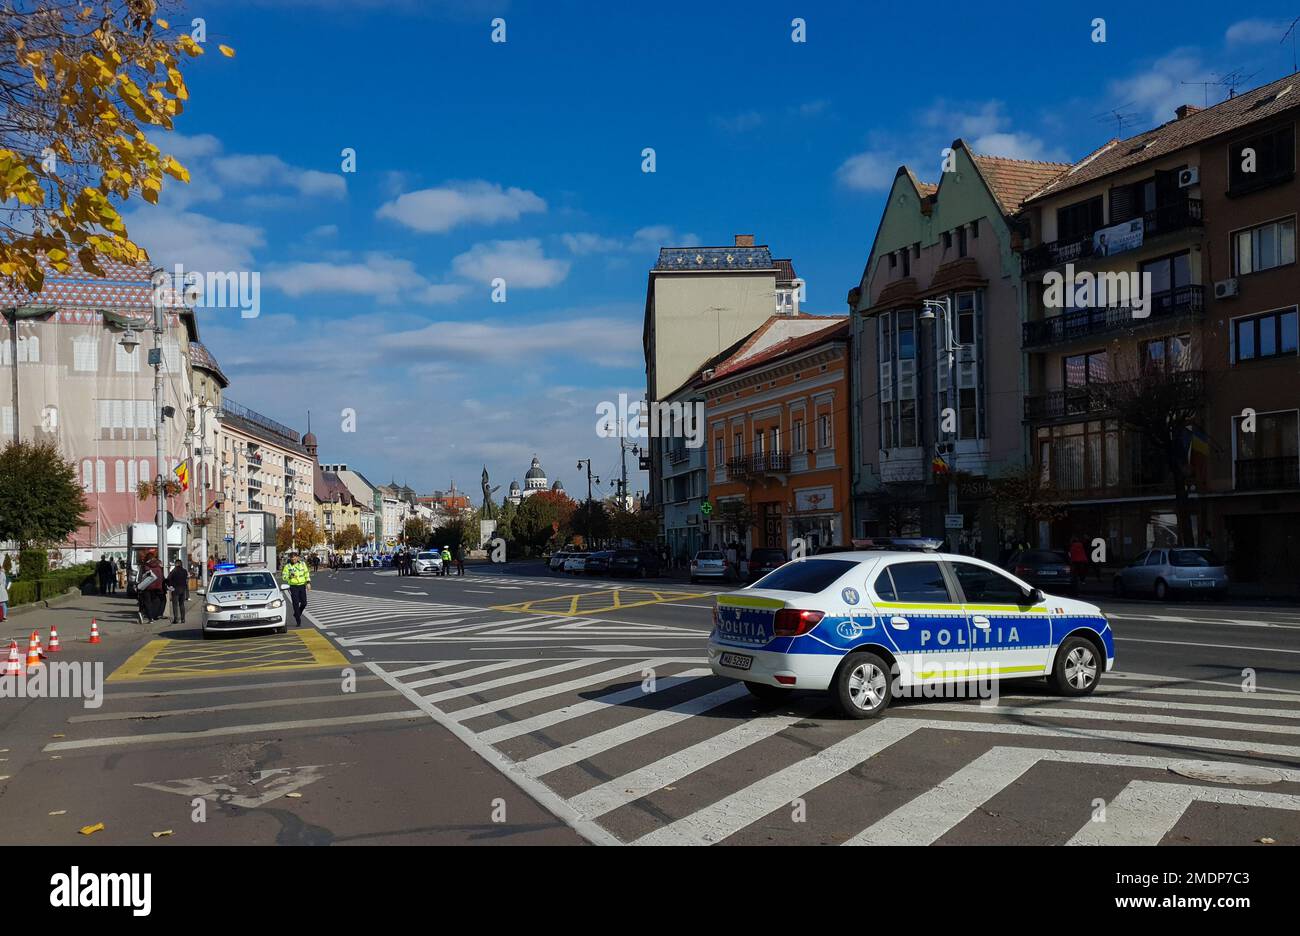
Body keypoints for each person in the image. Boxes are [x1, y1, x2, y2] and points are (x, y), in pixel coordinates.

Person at [282, 550, 311, 626]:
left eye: (295, 558)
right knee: (295, 603)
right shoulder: (287, 566)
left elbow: (306, 573)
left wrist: (308, 583)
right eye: (292, 559)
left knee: (304, 603)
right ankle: (298, 620)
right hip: (293, 586)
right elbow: (284, 577)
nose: (293, 560)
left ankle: (297, 614)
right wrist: (289, 576)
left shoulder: (302, 564)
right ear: (290, 558)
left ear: (297, 558)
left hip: (302, 585)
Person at [166, 558, 189, 625]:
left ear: (176, 564)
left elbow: (168, 579)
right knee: (182, 604)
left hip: (175, 590)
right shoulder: (185, 571)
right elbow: (186, 579)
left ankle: (176, 619)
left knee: (175, 605)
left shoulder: (174, 571)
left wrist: (170, 586)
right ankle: (183, 619)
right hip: (183, 589)